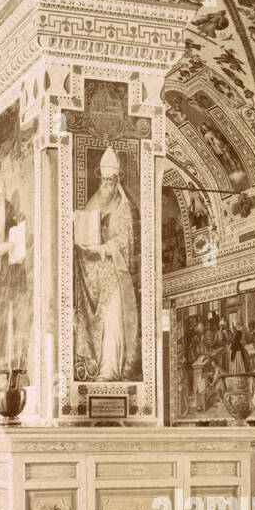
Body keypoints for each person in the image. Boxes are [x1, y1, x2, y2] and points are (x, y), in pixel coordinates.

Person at [73, 148, 139, 381]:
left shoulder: (122, 208)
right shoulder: (97, 203)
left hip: (115, 274)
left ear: (116, 181)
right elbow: (84, 229)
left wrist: (103, 249)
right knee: (94, 319)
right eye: (104, 180)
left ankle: (110, 369)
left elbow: (122, 240)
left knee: (112, 319)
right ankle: (97, 366)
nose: (106, 185)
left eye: (111, 181)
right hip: (97, 275)